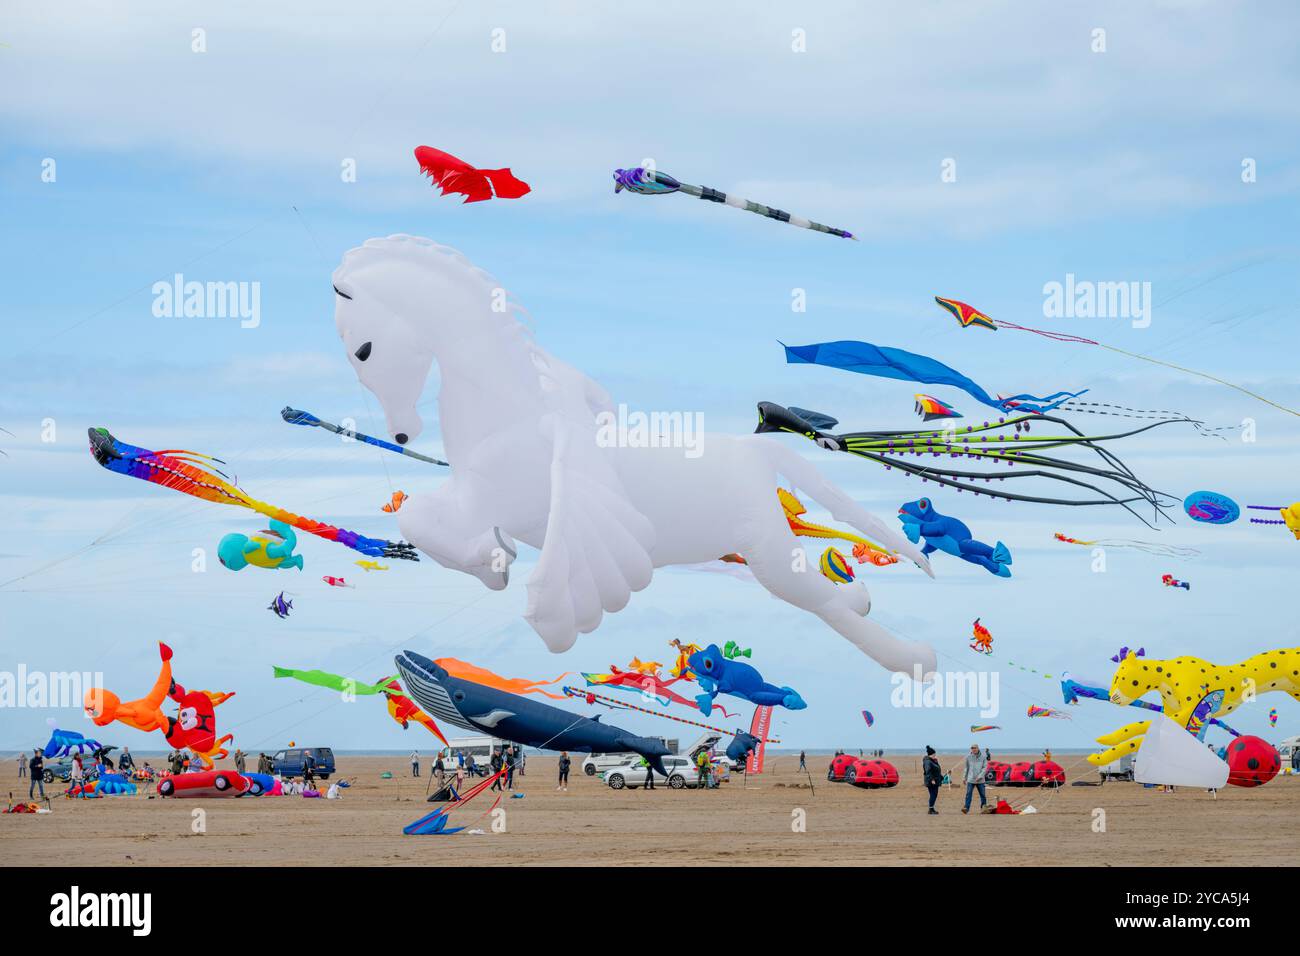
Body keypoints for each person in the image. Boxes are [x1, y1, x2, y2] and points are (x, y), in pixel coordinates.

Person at [962, 743, 988, 814]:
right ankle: (966, 808)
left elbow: (984, 768)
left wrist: (979, 776)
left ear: (978, 748)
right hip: (971, 779)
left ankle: (984, 808)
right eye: (972, 748)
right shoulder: (968, 757)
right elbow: (966, 768)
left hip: (980, 780)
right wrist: (964, 778)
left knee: (983, 795)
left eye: (975, 748)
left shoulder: (983, 757)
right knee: (968, 794)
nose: (973, 749)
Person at [922, 746, 943, 815]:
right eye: (934, 754)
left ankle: (931, 808)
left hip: (936, 780)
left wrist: (941, 777)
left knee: (934, 795)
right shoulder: (928, 761)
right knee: (933, 795)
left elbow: (936, 770)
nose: (935, 755)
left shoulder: (933, 760)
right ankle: (931, 809)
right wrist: (932, 780)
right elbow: (928, 771)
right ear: (931, 754)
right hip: (931, 781)